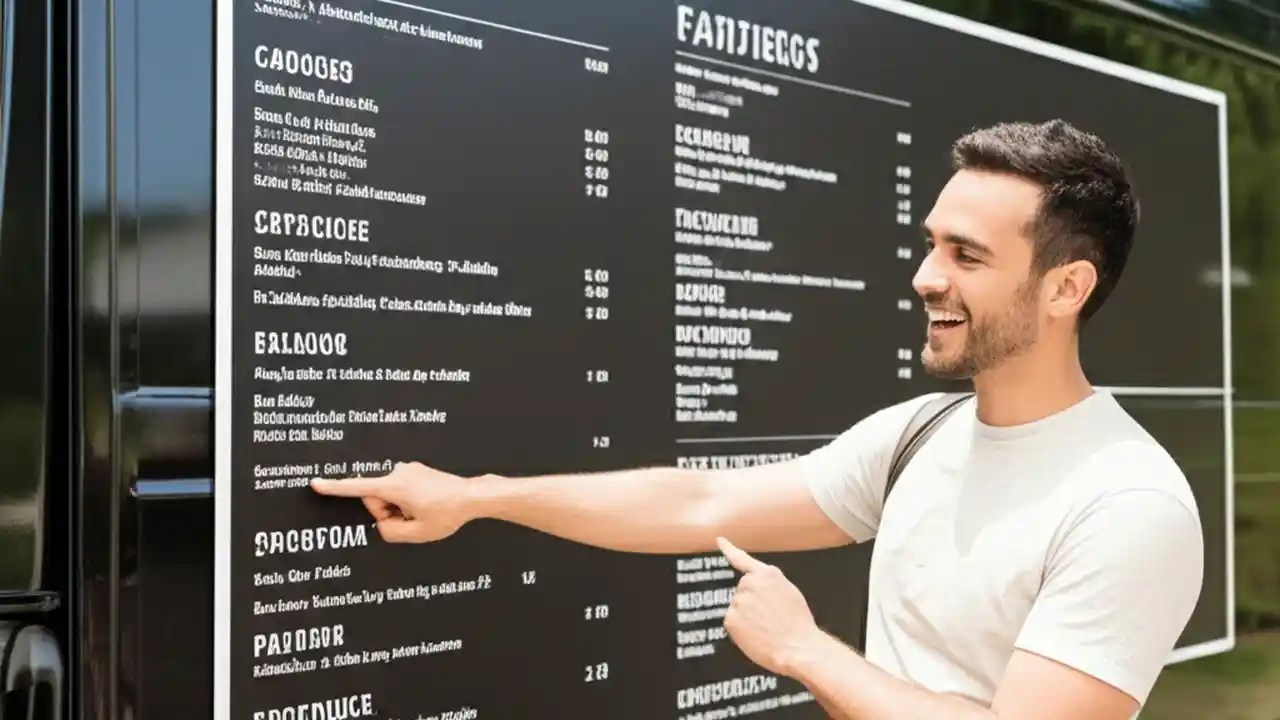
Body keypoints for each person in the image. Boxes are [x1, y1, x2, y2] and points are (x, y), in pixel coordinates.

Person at [311, 119, 1203, 720]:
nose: (926, 276)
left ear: (1066, 288)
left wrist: (806, 650)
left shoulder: (1127, 503)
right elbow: (702, 503)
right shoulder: (919, 435)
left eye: (966, 255)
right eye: (931, 242)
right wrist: (478, 496)